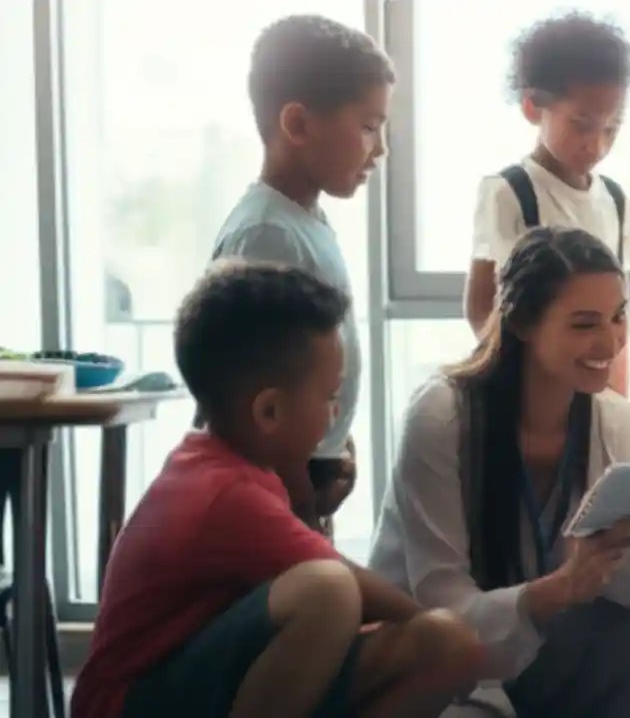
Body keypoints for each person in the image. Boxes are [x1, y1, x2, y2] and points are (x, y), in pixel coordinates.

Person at [72, 262, 484, 718]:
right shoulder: (225, 493)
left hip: (204, 686)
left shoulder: (233, 464)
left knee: (446, 645)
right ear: (269, 411)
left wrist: (307, 503)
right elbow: (348, 586)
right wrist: (437, 627)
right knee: (329, 591)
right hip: (130, 706)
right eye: (330, 396)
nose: (333, 416)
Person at [371, 227, 630, 717]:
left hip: (542, 648)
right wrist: (557, 590)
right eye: (584, 324)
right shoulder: (443, 417)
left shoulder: (618, 422)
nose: (610, 340)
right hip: (437, 658)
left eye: (619, 316)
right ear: (521, 323)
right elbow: (439, 599)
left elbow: (617, 583)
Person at [210, 14, 395, 528]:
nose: (379, 150)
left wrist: (336, 442)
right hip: (275, 488)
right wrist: (298, 493)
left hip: (305, 476)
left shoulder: (306, 220)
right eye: (368, 127)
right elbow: (254, 403)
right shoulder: (268, 235)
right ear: (297, 124)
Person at [463, 11, 630, 394]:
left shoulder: (616, 201)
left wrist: (617, 401)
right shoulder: (509, 191)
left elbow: (620, 313)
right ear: (532, 107)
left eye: (612, 128)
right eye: (582, 124)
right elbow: (482, 306)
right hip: (529, 391)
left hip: (594, 388)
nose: (597, 144)